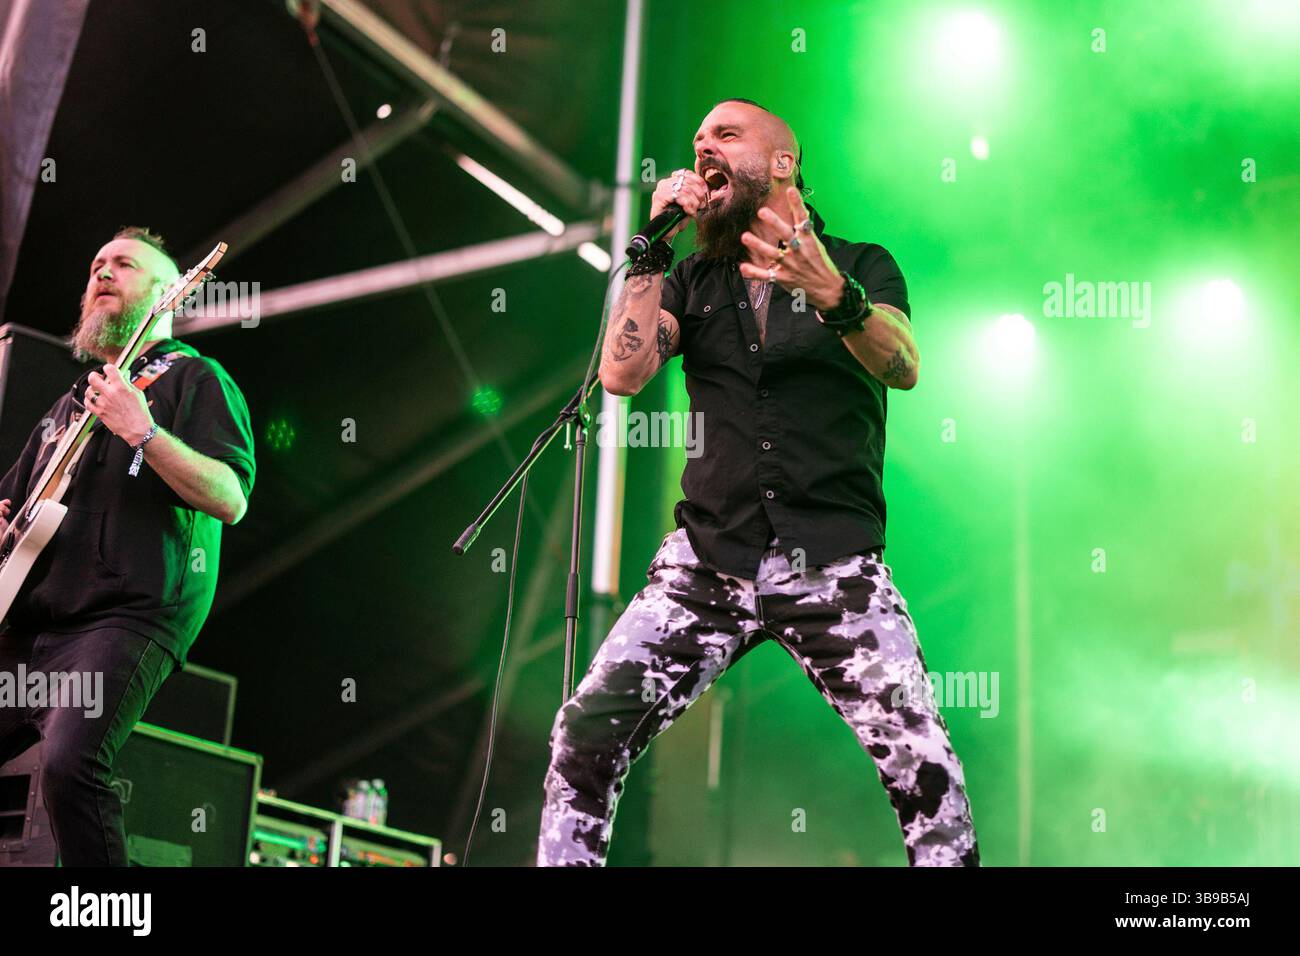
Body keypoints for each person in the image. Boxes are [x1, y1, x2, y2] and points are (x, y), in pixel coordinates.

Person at [536, 100, 980, 866]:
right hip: (708, 560)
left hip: (834, 565)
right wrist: (650, 251)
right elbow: (621, 372)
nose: (703, 146)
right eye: (697, 137)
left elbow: (903, 365)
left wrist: (837, 298)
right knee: (585, 734)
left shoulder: (862, 264)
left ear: (782, 162)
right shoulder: (691, 278)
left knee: (925, 768)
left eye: (726, 136)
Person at [0, 226, 255, 866]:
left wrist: (143, 432)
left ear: (169, 294)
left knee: (68, 767)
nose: (103, 273)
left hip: (126, 615)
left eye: (124, 265)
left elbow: (229, 496)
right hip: (32, 620)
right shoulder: (68, 405)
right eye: (96, 265)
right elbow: (17, 510)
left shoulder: (197, 379)